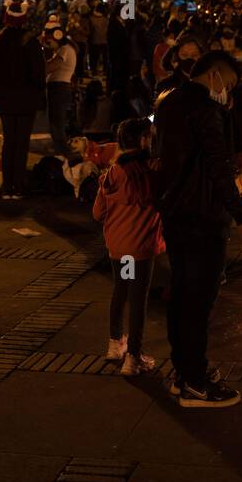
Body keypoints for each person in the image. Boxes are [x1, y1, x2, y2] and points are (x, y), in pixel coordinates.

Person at [155, 51, 242, 406]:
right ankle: (194, 381)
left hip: (175, 212)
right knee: (199, 299)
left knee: (182, 295)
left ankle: (184, 370)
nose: (229, 92)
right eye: (228, 84)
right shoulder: (207, 111)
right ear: (214, 76)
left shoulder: (168, 101)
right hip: (203, 215)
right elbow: (218, 166)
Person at [92, 117, 164, 374]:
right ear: (143, 139)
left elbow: (98, 213)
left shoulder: (112, 174)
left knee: (120, 293)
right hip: (142, 248)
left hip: (118, 248)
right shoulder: (152, 172)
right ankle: (133, 357)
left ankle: (115, 345)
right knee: (138, 300)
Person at [0, 0, 45, 199]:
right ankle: (18, 186)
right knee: (21, 143)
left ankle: (7, 186)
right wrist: (39, 91)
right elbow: (38, 72)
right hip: (25, 99)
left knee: (9, 141)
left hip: (5, 99)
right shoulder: (30, 41)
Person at [43, 20, 78, 161]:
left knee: (57, 123)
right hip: (58, 88)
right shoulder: (61, 50)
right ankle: (61, 152)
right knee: (56, 122)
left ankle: (64, 154)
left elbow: (49, 67)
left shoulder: (65, 50)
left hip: (59, 89)